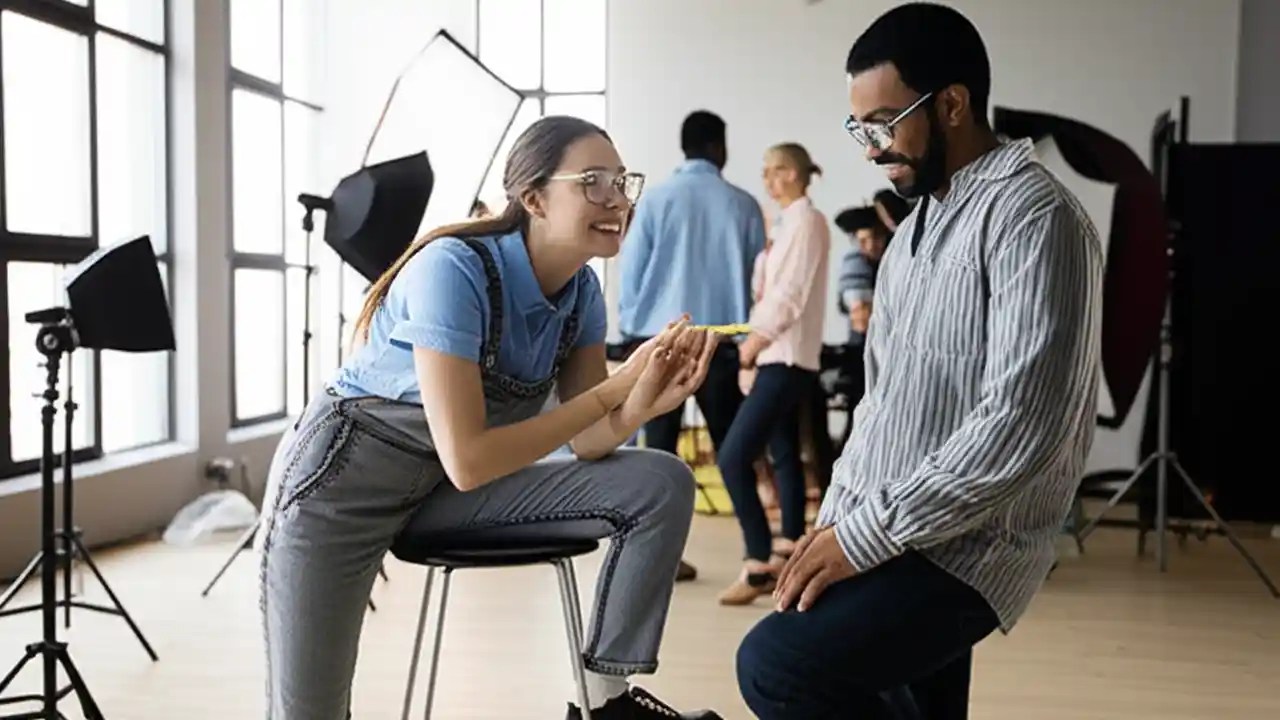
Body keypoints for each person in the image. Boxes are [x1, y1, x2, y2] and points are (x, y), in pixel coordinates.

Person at [258, 115, 725, 720]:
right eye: (592, 181)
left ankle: (607, 707)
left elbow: (586, 441)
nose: (618, 200)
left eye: (621, 181)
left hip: (444, 490)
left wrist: (643, 402)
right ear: (533, 198)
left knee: (661, 480)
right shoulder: (455, 267)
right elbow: (471, 456)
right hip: (339, 490)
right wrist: (613, 393)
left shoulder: (581, 292)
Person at [735, 4, 1104, 718]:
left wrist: (864, 534)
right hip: (900, 526)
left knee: (775, 666)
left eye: (884, 124)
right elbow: (885, 407)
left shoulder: (1035, 217)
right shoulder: (912, 233)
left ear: (954, 104)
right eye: (860, 129)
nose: (871, 149)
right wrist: (836, 518)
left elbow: (1020, 425)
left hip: (969, 544)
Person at [618, 110, 767, 582]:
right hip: (718, 341)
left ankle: (655, 558)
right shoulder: (744, 205)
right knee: (734, 451)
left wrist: (631, 330)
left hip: (659, 339)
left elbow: (633, 275)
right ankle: (758, 555)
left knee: (656, 456)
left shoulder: (655, 200)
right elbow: (757, 280)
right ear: (720, 147)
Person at [715, 142, 829, 606]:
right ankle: (787, 549)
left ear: (802, 173)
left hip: (782, 356)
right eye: (766, 171)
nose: (770, 178)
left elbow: (789, 295)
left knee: (733, 457)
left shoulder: (807, 221)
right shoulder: (784, 224)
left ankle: (759, 561)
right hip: (775, 355)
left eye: (780, 169)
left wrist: (752, 346)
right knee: (782, 454)